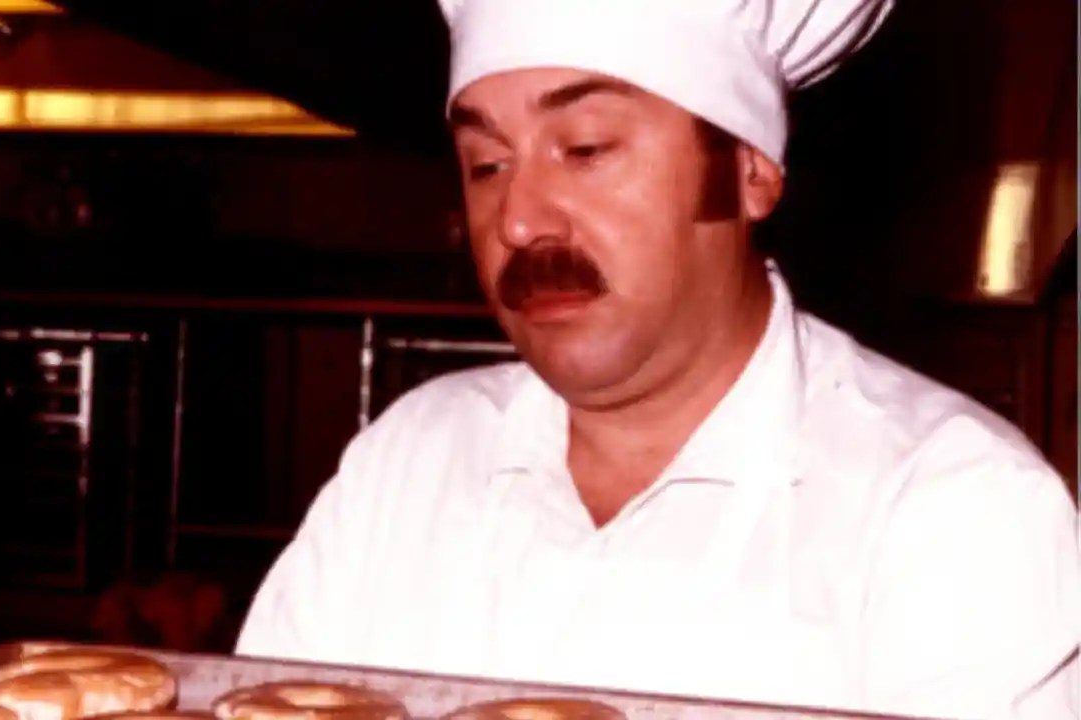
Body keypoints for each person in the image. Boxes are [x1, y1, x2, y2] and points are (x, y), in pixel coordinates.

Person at [236, 0, 1081, 717]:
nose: (520, 219)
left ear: (752, 171)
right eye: (486, 164)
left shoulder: (951, 508)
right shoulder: (411, 460)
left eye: (588, 147)